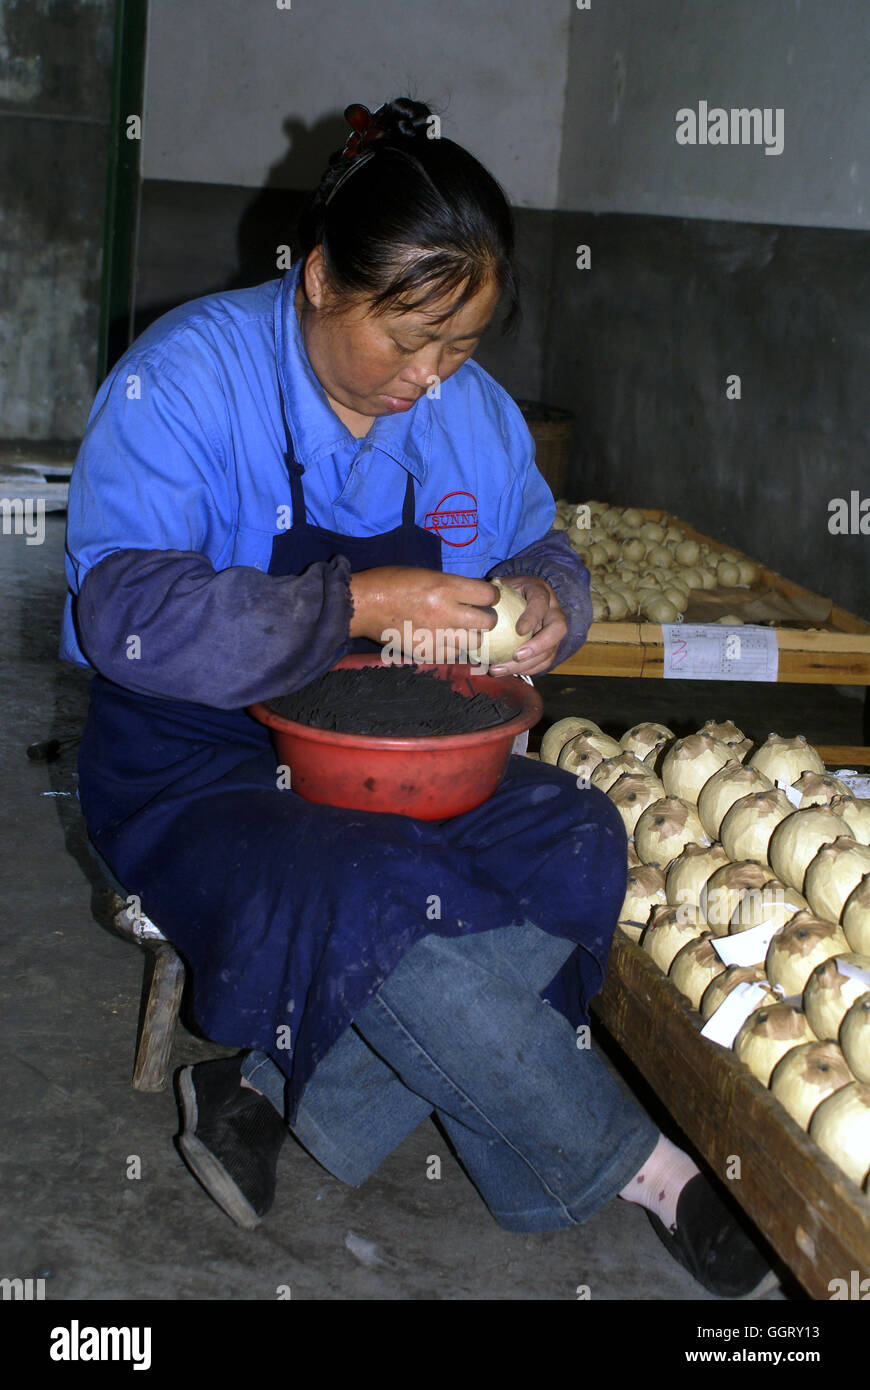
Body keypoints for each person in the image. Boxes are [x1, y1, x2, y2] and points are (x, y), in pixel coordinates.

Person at [62, 98, 775, 1298]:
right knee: (384, 894)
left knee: (577, 836)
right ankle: (654, 1170)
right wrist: (355, 604)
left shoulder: (465, 413)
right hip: (202, 769)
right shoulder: (188, 381)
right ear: (324, 278)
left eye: (462, 345)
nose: (430, 377)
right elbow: (120, 610)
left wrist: (549, 600)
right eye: (407, 339)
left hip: (404, 762)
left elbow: (545, 548)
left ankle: (269, 1088)